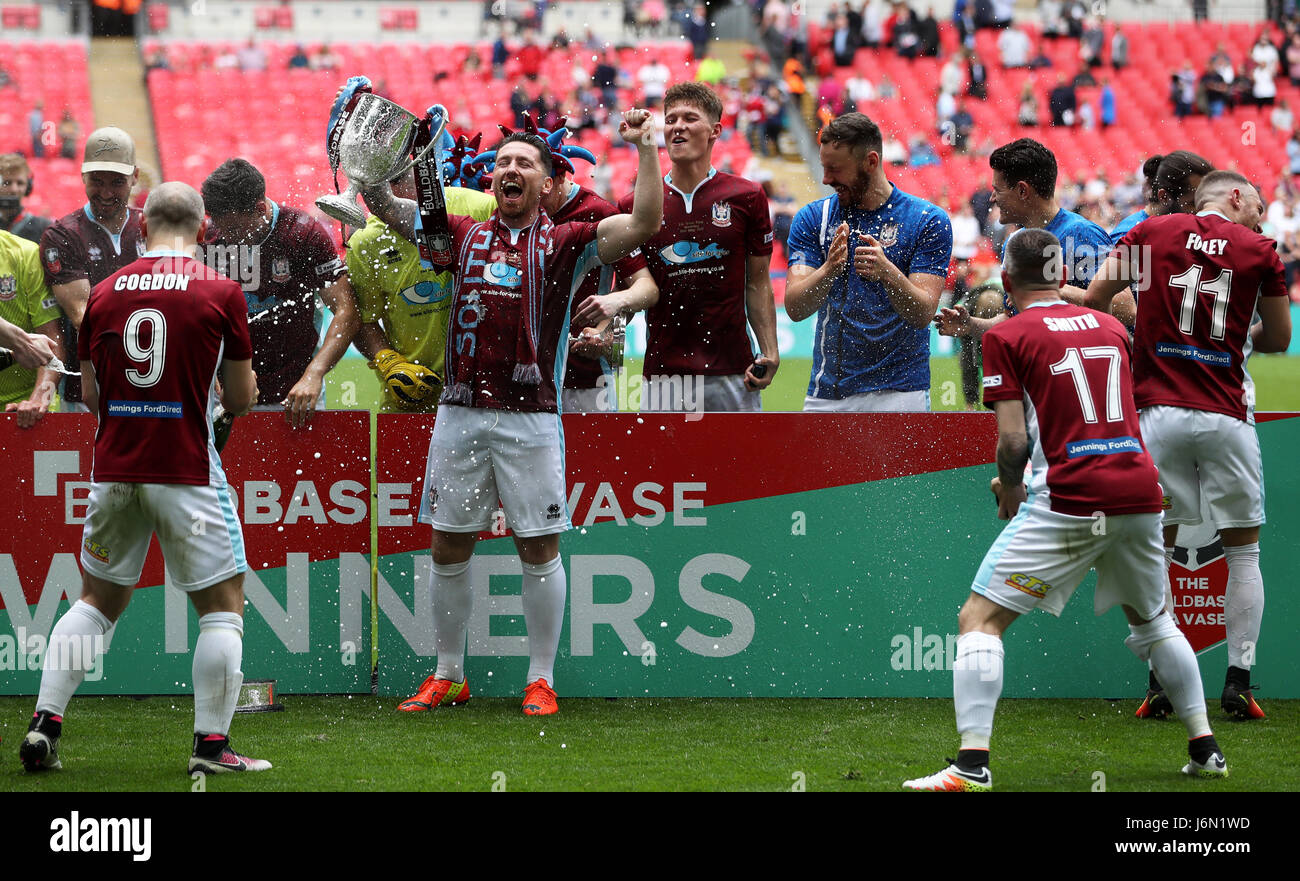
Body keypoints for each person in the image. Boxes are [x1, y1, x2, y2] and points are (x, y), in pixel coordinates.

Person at [903, 228, 1228, 791]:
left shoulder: (1007, 335)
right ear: (1061, 277)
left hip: (1071, 496)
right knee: (1155, 622)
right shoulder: (1110, 327)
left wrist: (1009, 486)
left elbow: (1011, 443)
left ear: (1007, 280)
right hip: (1139, 491)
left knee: (978, 621)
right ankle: (1206, 748)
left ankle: (971, 765)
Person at [361, 111, 663, 715]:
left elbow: (647, 222)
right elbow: (386, 209)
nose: (509, 170)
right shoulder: (459, 234)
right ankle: (448, 674)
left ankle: (541, 678)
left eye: (524, 162)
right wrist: (375, 159)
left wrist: (647, 147)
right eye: (502, 163)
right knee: (448, 545)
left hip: (532, 417)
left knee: (538, 548)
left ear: (548, 184)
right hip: (461, 412)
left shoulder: (569, 241)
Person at [19, 182, 269, 775]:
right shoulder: (220, 290)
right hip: (186, 469)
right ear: (204, 228)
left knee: (96, 602)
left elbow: (95, 394)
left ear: (142, 227)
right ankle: (211, 748)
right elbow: (240, 397)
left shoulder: (103, 293)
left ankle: (45, 724)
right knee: (222, 607)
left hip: (116, 467)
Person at [1084, 170, 1292, 722]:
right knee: (1243, 553)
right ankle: (1239, 683)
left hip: (1158, 413)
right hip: (1226, 414)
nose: (1262, 220)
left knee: (1158, 549)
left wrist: (1154, 332)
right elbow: (1279, 339)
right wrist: (1232, 335)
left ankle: (1159, 683)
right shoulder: (1260, 250)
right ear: (1237, 196)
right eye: (1259, 208)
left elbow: (1099, 297)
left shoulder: (1153, 233)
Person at [618, 82, 779, 412]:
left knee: (736, 464)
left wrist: (770, 349)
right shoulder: (634, 207)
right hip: (663, 376)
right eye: (671, 118)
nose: (677, 126)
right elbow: (629, 288)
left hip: (734, 372)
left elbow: (758, 281)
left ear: (714, 131)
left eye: (690, 118)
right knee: (664, 466)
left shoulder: (746, 197)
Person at [785, 112, 952, 411]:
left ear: (871, 162)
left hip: (902, 391)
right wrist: (829, 270)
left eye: (835, 169)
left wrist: (888, 273)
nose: (826, 179)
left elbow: (923, 312)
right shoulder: (813, 218)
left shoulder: (927, 220)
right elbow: (795, 308)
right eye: (824, 167)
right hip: (829, 392)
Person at [200, 158, 358, 428]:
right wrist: (209, 372)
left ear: (260, 208)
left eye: (235, 229)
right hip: (224, 396)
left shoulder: (302, 234)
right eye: (220, 226)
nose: (226, 236)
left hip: (296, 392)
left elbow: (347, 311)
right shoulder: (208, 239)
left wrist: (314, 374)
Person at [348, 168, 496, 415]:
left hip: (487, 392)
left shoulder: (478, 206)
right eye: (373, 187)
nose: (384, 194)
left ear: (420, 175)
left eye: (395, 180)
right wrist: (389, 361)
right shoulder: (365, 242)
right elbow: (363, 319)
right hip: (414, 395)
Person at [934, 137, 1110, 341]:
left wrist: (1046, 286)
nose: (992, 198)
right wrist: (971, 325)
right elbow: (1015, 319)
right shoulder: (1013, 242)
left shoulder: (1082, 234)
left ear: (1022, 191)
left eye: (998, 190)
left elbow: (1127, 309)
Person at [41, 127, 148, 413]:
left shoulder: (153, 227)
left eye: (117, 182)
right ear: (83, 177)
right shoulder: (62, 235)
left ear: (135, 177)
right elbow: (82, 316)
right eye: (96, 181)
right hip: (89, 390)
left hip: (154, 382)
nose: (106, 192)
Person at [0, 228, 62, 428]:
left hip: (24, 403)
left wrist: (38, 399)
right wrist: (22, 345)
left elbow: (53, 344)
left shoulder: (24, 254)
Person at [0, 153, 52, 244]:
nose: (14, 189)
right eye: (7, 183)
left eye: (20, 183)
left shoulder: (42, 227)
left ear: (28, 187)